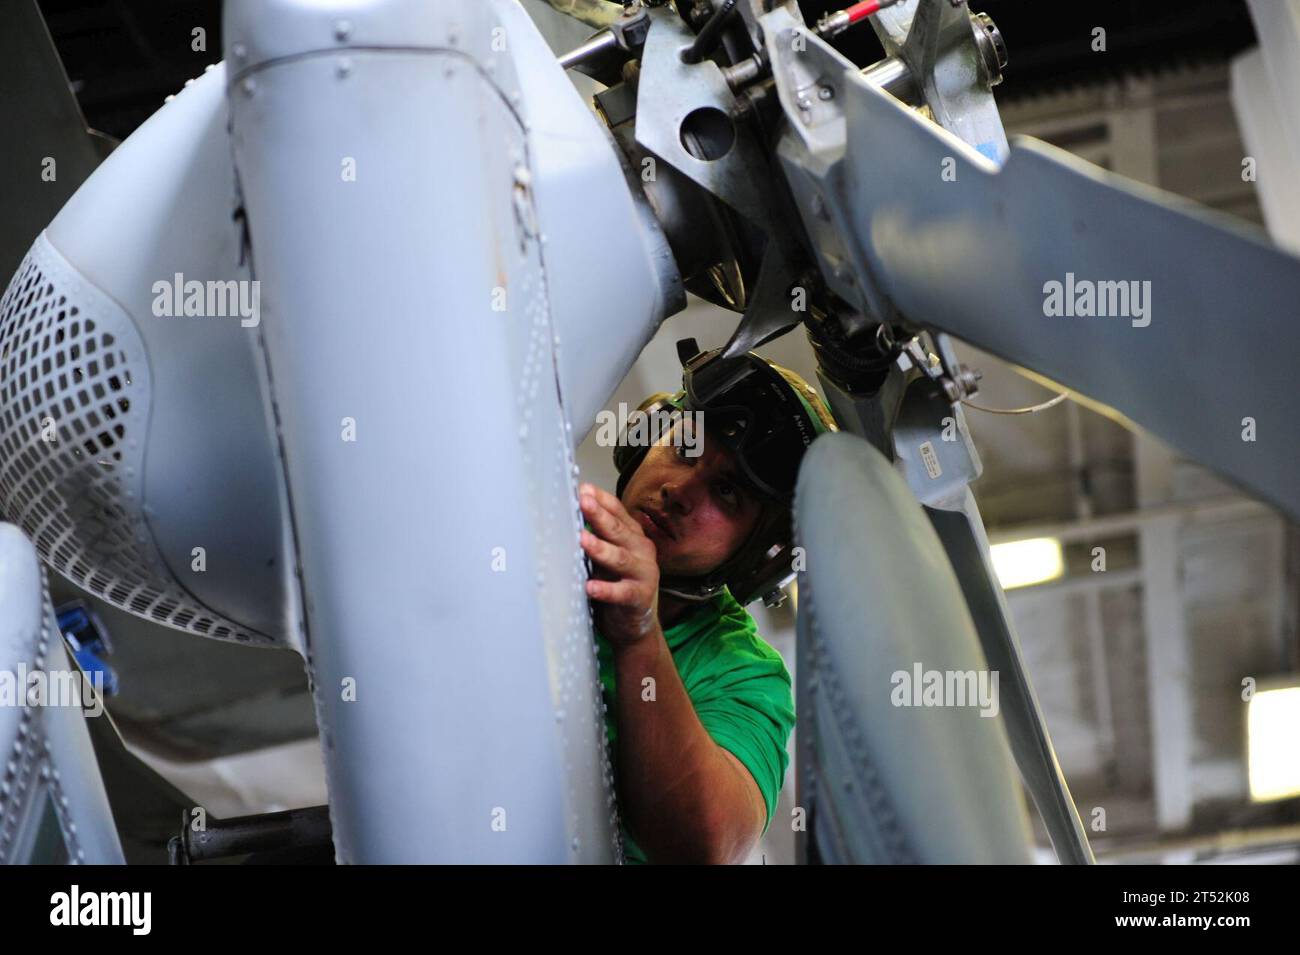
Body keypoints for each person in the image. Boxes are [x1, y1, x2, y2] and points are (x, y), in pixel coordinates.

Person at [580, 338, 837, 864]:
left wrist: (639, 631)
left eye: (726, 492)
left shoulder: (747, 675)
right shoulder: (533, 538)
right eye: (685, 448)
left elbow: (708, 845)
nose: (680, 489)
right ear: (646, 436)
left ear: (761, 554)